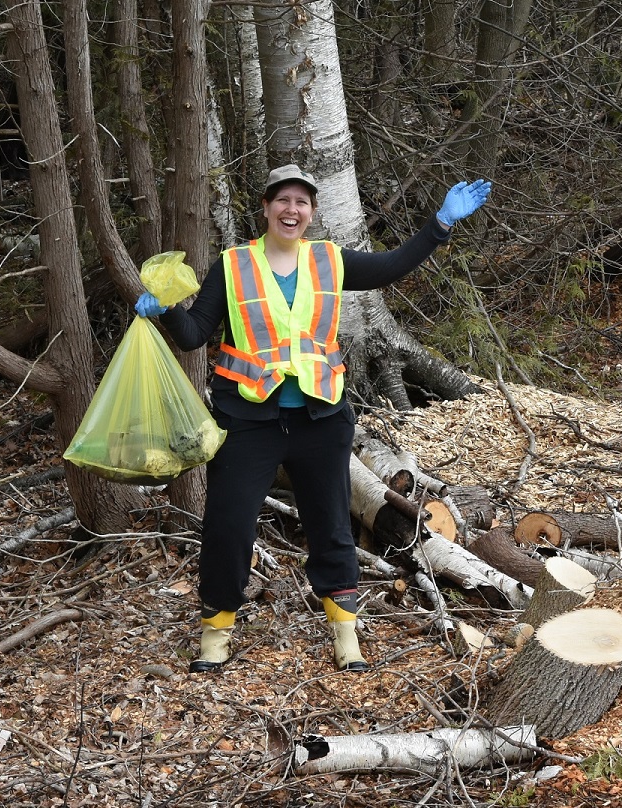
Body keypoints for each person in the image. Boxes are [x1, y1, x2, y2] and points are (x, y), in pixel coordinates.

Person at [135, 164, 491, 673]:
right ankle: (215, 634)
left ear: (312, 212)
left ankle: (346, 635)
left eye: (301, 202)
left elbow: (391, 267)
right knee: (227, 526)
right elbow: (194, 335)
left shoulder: (330, 260)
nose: (291, 209)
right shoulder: (233, 265)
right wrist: (165, 310)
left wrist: (441, 223)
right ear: (265, 207)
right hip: (247, 421)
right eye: (282, 199)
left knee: (331, 527)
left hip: (320, 420)